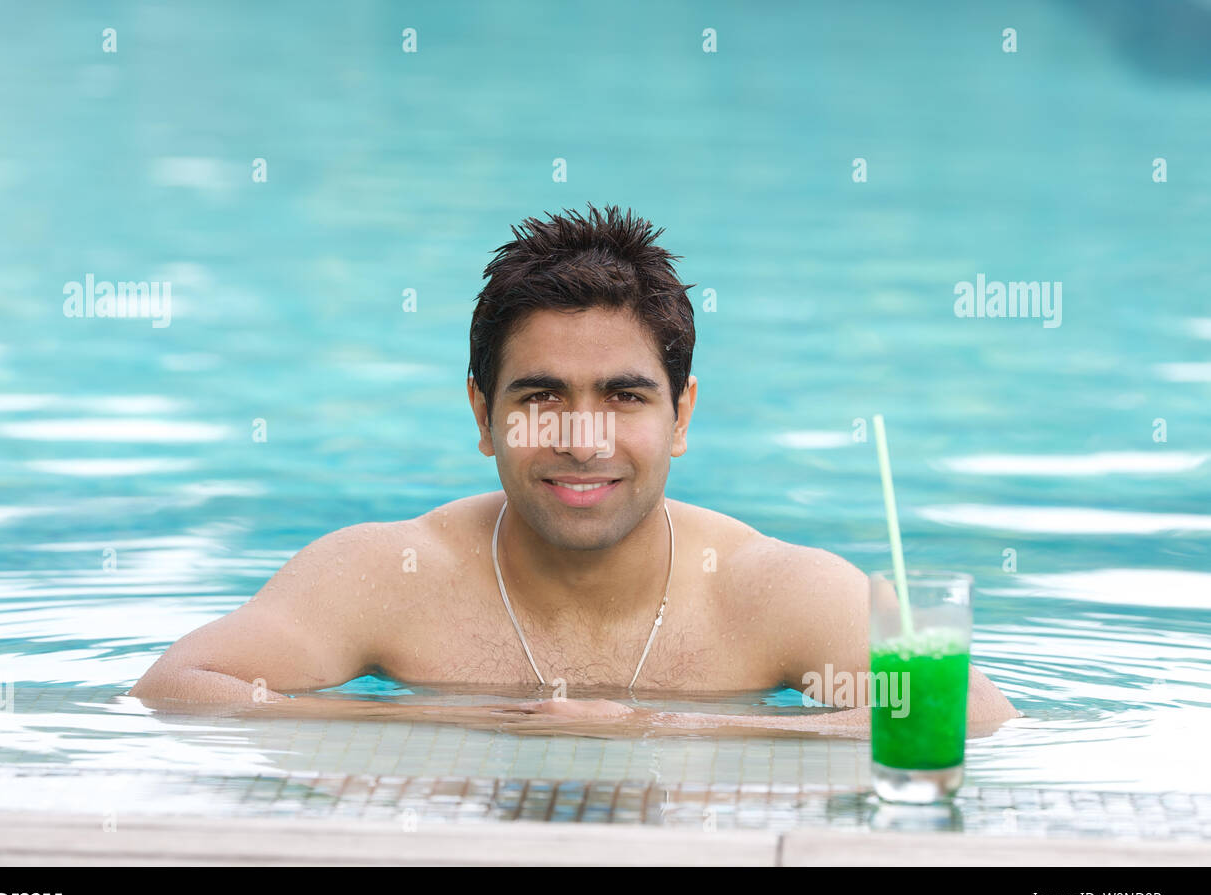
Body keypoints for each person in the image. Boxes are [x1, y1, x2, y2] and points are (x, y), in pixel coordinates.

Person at [130, 204, 1019, 739]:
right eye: (542, 396)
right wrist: (462, 720)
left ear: (683, 417)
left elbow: (964, 711)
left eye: (626, 396)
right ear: (484, 415)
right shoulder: (395, 574)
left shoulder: (761, 589)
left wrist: (673, 732)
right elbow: (177, 687)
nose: (583, 437)